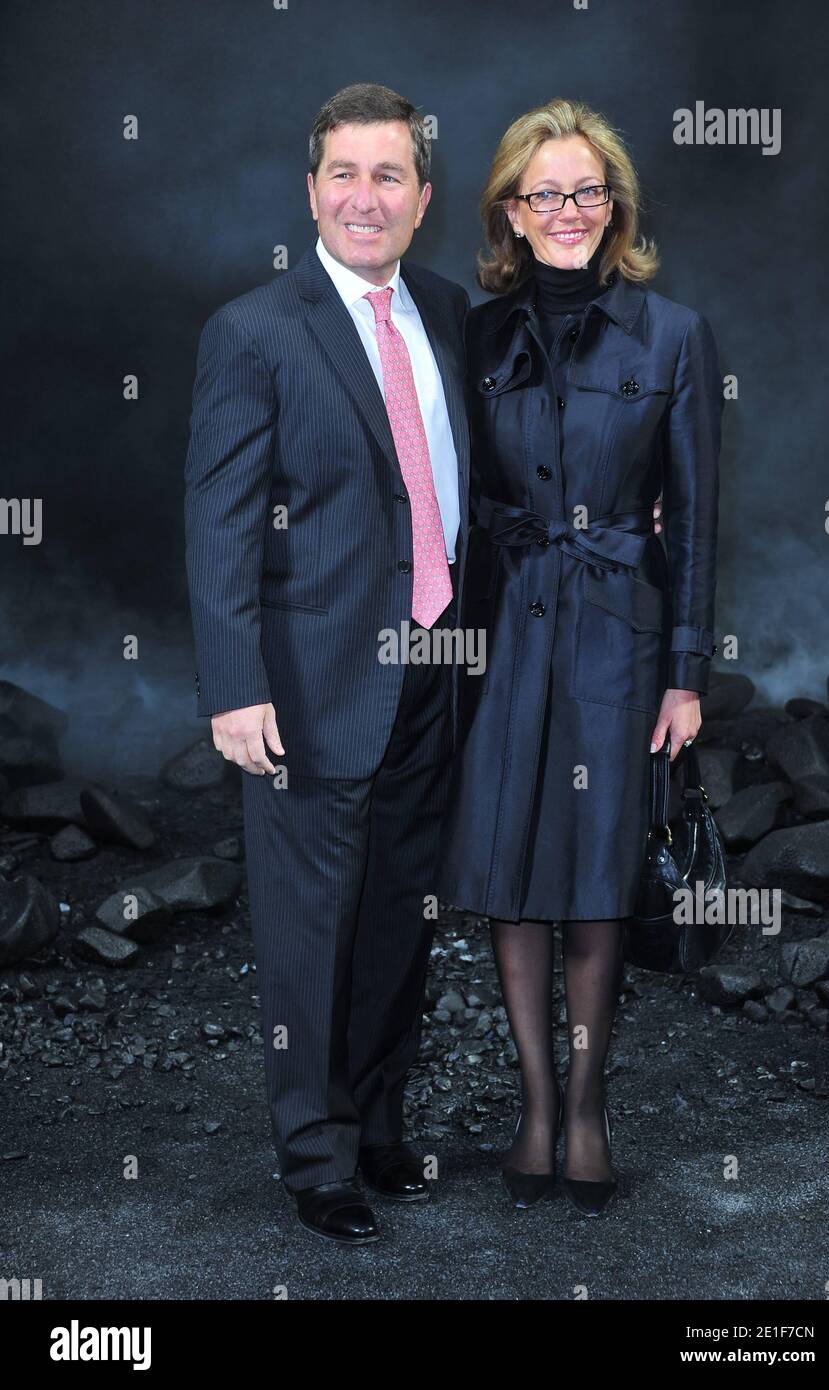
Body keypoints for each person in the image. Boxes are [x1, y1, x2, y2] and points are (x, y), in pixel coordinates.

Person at [184, 83, 471, 1245]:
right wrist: (234, 683)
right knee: (311, 930)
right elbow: (218, 519)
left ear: (422, 198)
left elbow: (470, 482)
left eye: (387, 175)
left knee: (401, 917)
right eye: (343, 174)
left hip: (438, 671)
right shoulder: (255, 330)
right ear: (311, 191)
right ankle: (315, 1161)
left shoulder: (446, 311)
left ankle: (381, 1126)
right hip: (306, 685)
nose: (365, 196)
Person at [435, 98, 723, 1216]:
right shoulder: (476, 334)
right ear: (511, 209)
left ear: (615, 207)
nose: (568, 211)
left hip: (619, 628)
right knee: (514, 870)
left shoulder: (673, 334)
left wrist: (687, 670)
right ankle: (535, 1107)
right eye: (544, 193)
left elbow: (695, 516)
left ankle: (590, 1108)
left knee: (599, 873)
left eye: (587, 191)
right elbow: (452, 496)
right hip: (506, 630)